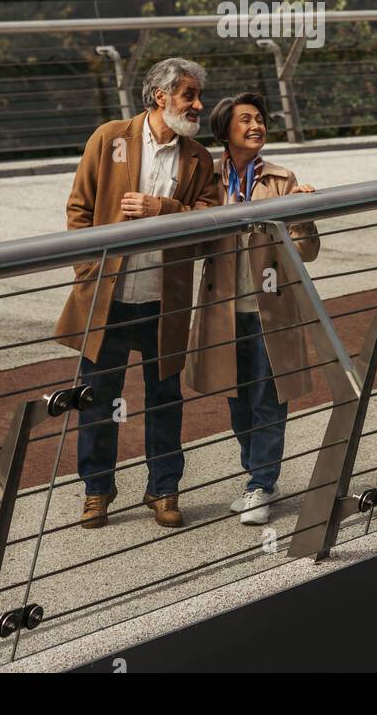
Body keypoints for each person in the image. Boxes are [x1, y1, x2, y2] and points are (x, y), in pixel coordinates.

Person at [54, 57, 218, 530]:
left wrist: (161, 208)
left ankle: (164, 488)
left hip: (164, 302)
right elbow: (79, 207)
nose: (197, 104)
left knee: (165, 398)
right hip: (109, 300)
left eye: (197, 95)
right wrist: (89, 271)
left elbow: (209, 227)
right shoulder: (110, 139)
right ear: (160, 96)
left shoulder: (198, 158)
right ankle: (96, 490)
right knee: (95, 398)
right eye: (188, 94)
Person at [185, 92, 320, 526]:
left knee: (268, 397)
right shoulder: (209, 176)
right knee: (237, 398)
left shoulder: (282, 178)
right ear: (225, 131)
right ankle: (258, 475)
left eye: (260, 119)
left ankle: (260, 483)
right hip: (223, 308)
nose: (256, 125)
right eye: (245, 120)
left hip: (270, 307)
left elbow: (307, 252)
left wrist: (303, 214)